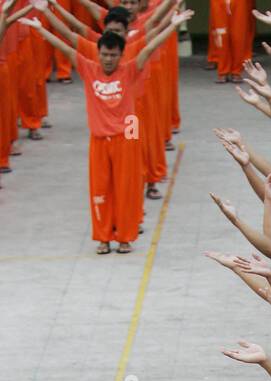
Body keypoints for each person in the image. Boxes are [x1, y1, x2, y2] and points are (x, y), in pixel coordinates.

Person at [27, 9, 191, 252]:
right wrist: (42, 25)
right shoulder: (91, 60)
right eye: (104, 53)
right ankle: (104, 235)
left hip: (130, 122)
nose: (107, 59)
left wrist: (172, 24)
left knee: (131, 178)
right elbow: (68, 40)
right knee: (102, 188)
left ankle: (131, 223)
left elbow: (151, 38)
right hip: (103, 134)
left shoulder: (133, 50)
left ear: (124, 39)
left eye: (113, 53)